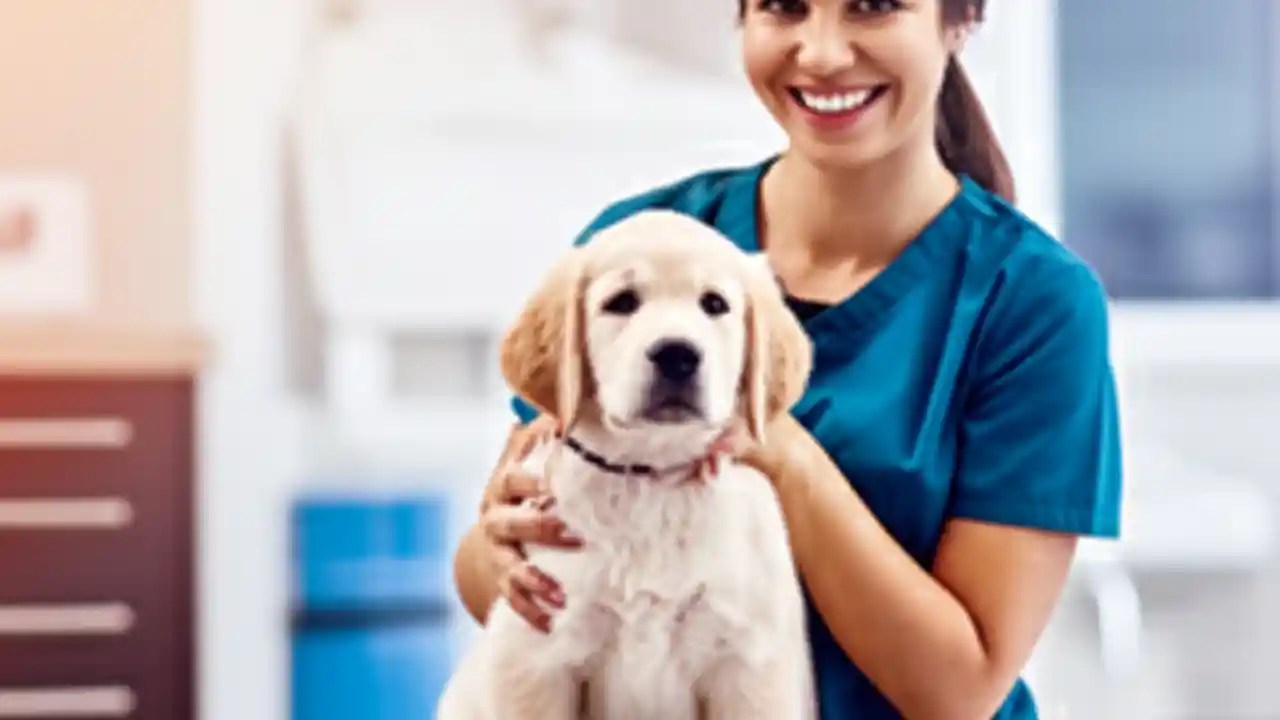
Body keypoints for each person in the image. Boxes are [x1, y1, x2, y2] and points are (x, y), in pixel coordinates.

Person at [451, 0, 1123, 718]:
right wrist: (504, 561)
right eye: (784, 8)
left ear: (958, 20)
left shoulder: (1030, 301)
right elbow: (495, 564)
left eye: (873, 7)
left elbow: (956, 693)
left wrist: (781, 452)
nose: (823, 52)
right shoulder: (642, 244)